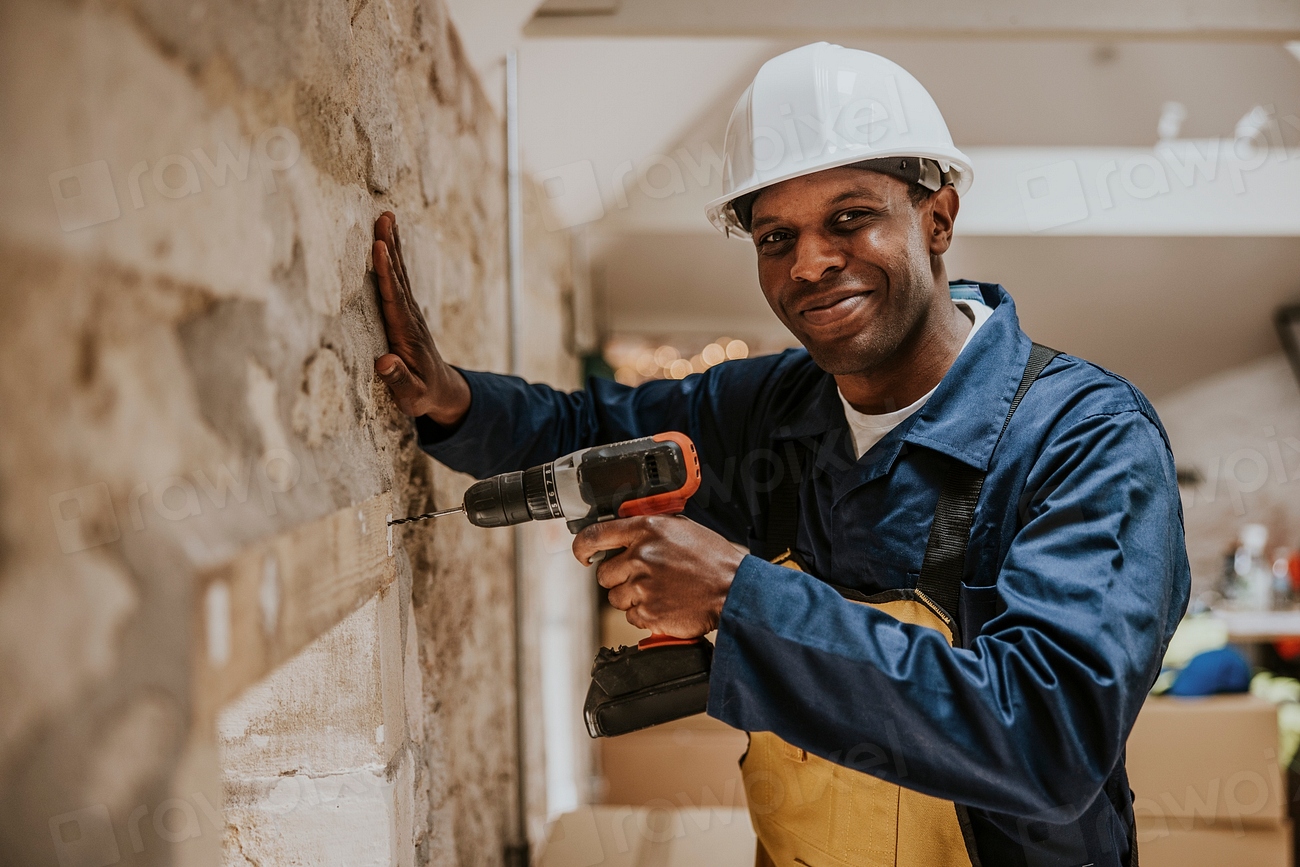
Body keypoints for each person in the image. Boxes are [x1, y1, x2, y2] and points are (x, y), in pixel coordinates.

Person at [371, 43, 1188, 867]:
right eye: (774, 235)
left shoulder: (1084, 439)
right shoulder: (770, 408)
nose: (810, 263)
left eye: (848, 218)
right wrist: (457, 402)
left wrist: (734, 595)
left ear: (938, 218)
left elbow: (1049, 741)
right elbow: (585, 430)